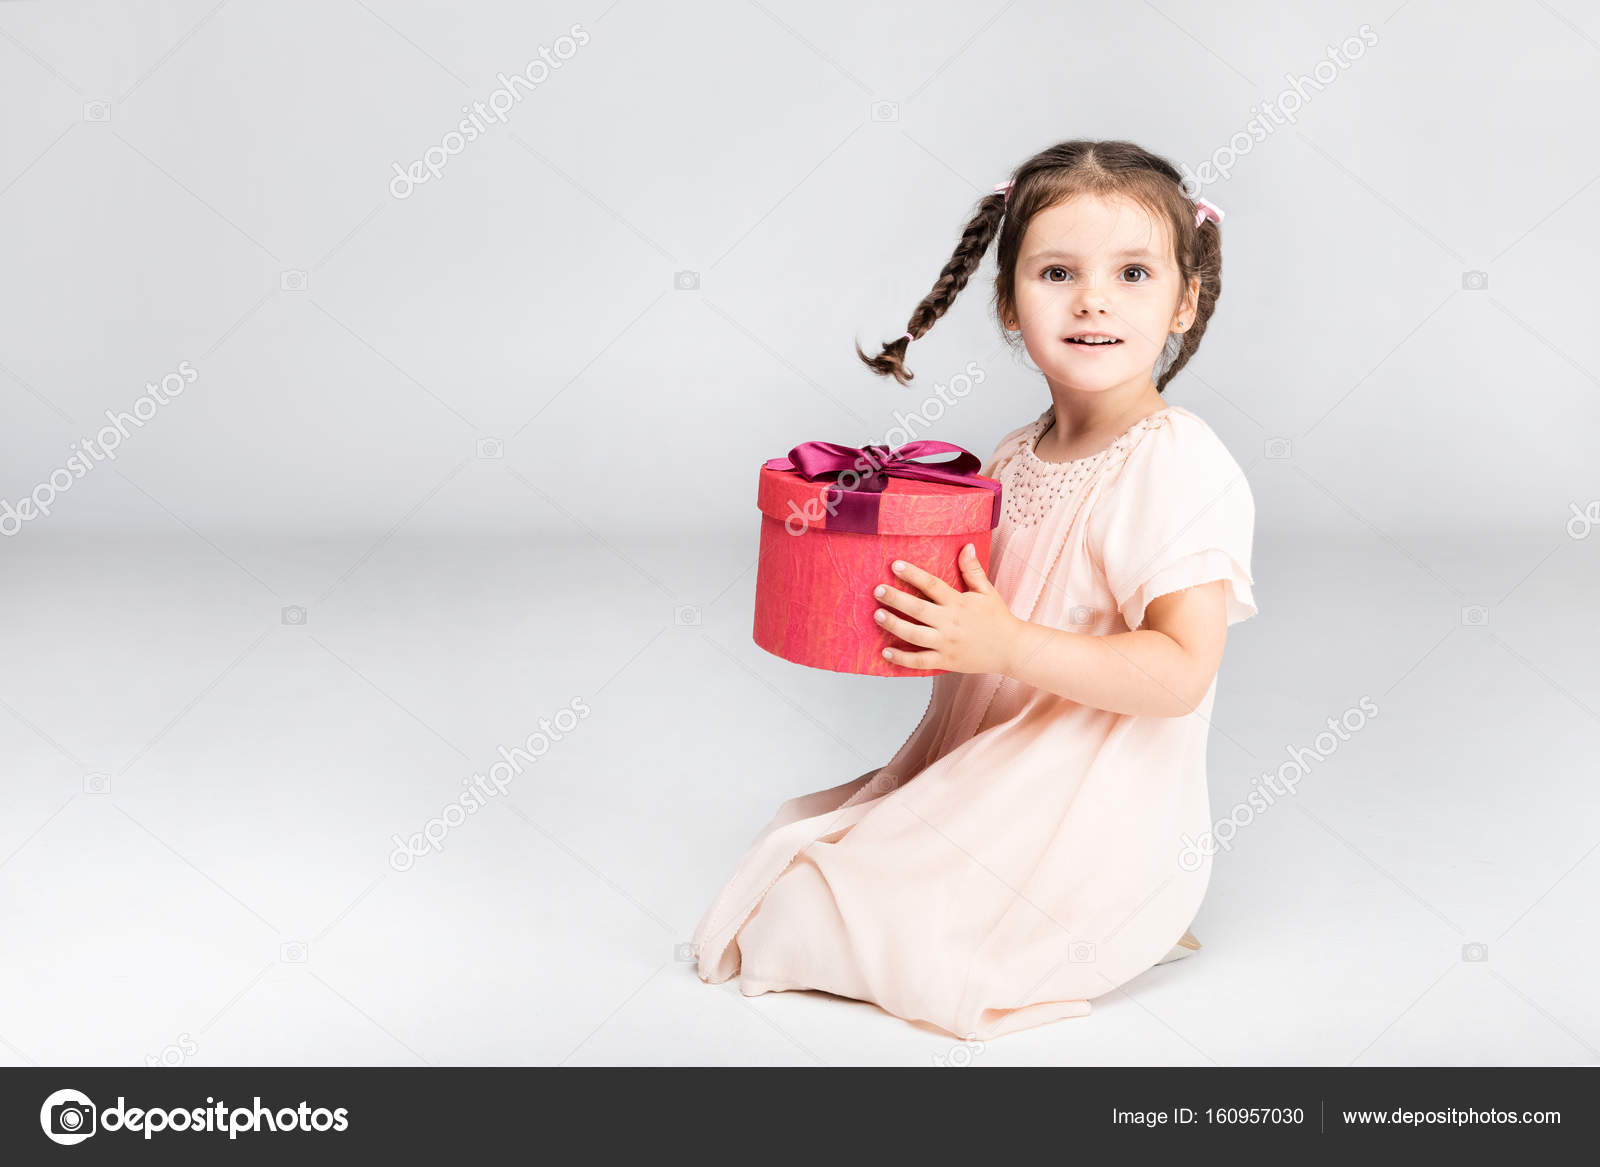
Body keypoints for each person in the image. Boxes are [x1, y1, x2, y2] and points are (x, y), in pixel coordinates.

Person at [691, 139, 1259, 1041]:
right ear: (1007, 300)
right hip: (990, 763)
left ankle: (1123, 902)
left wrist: (1004, 645)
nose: (1094, 299)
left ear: (1184, 299)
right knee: (797, 855)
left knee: (818, 919)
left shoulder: (1177, 461)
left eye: (1134, 272)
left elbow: (1181, 670)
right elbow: (976, 616)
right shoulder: (1010, 455)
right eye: (1058, 271)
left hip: (1083, 789)